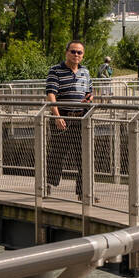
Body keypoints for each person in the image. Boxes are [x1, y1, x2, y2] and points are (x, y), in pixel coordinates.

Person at [44, 40, 93, 196]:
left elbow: (90, 92)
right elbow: (51, 94)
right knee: (57, 154)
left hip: (80, 118)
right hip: (63, 117)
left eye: (79, 52)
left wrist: (88, 100)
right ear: (66, 52)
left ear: (83, 55)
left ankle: (83, 192)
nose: (76, 55)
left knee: (84, 156)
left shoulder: (85, 72)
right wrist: (57, 117)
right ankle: (46, 186)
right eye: (73, 51)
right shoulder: (55, 70)